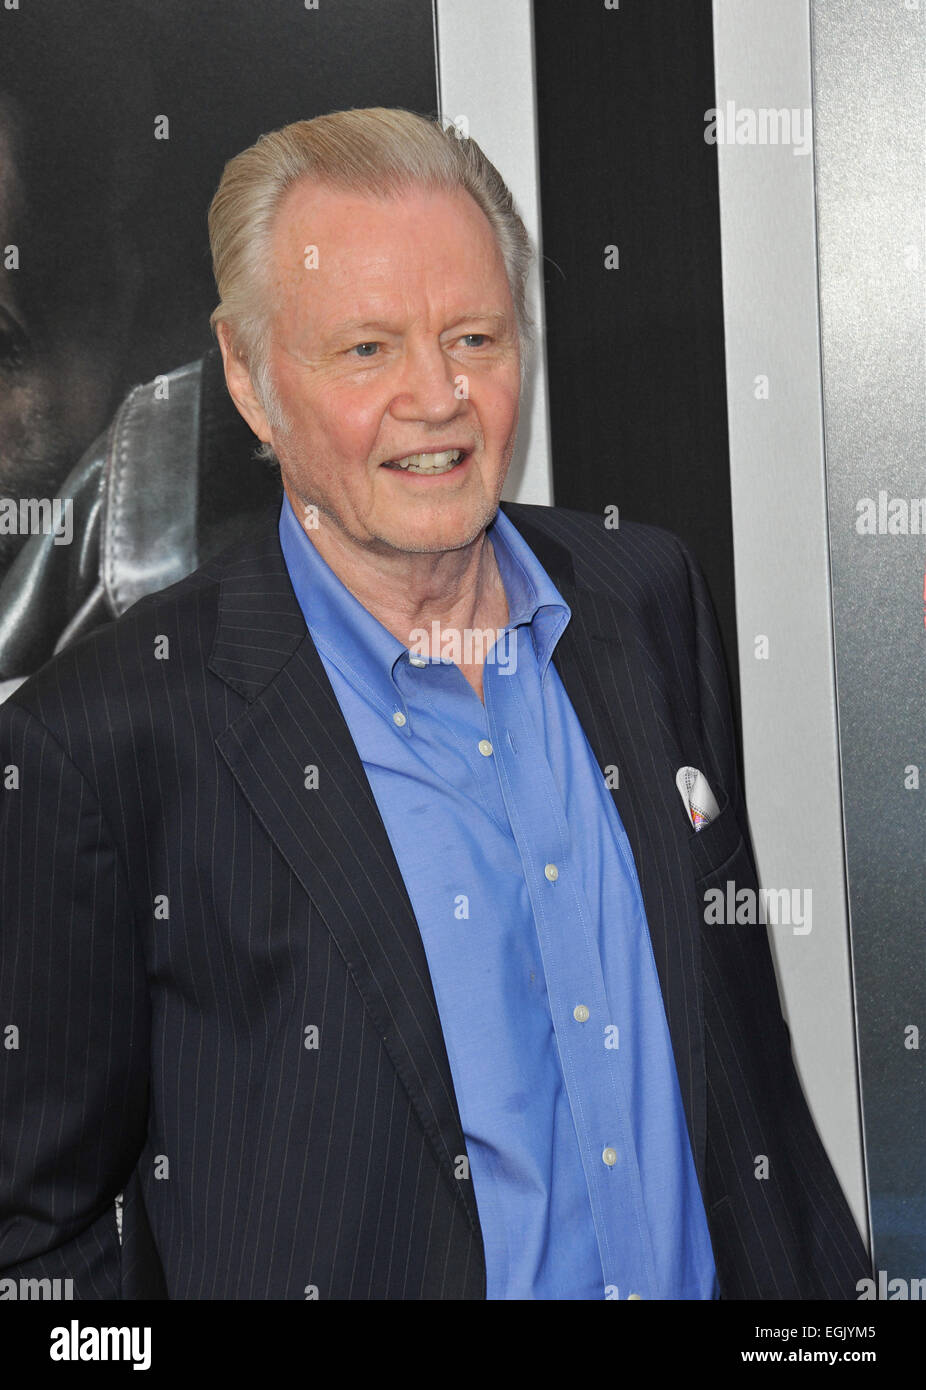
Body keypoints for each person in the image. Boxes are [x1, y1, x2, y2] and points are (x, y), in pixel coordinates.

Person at [0, 108, 869, 1300]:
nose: (437, 396)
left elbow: (744, 1076)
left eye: (473, 334)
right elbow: (32, 1237)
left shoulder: (641, 596)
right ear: (250, 381)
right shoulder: (102, 740)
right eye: (365, 350)